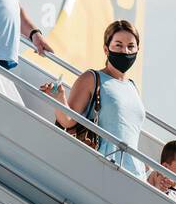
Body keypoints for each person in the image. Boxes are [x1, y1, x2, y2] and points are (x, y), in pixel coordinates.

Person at [42, 19, 147, 178]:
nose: (125, 51)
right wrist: (59, 98)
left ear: (138, 49)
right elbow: (68, 121)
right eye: (118, 45)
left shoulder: (132, 87)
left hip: (133, 171)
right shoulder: (92, 78)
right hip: (103, 165)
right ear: (106, 49)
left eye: (131, 46)